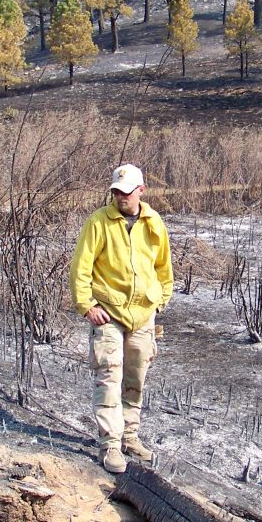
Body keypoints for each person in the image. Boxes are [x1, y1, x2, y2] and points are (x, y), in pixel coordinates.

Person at [69, 163, 173, 474]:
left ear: (141, 190)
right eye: (116, 191)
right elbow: (80, 268)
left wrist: (159, 301)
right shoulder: (98, 222)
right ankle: (110, 444)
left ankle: (130, 436)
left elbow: (164, 269)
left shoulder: (154, 223)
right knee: (109, 377)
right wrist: (86, 305)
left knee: (135, 378)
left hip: (143, 315)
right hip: (108, 313)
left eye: (126, 192)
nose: (120, 197)